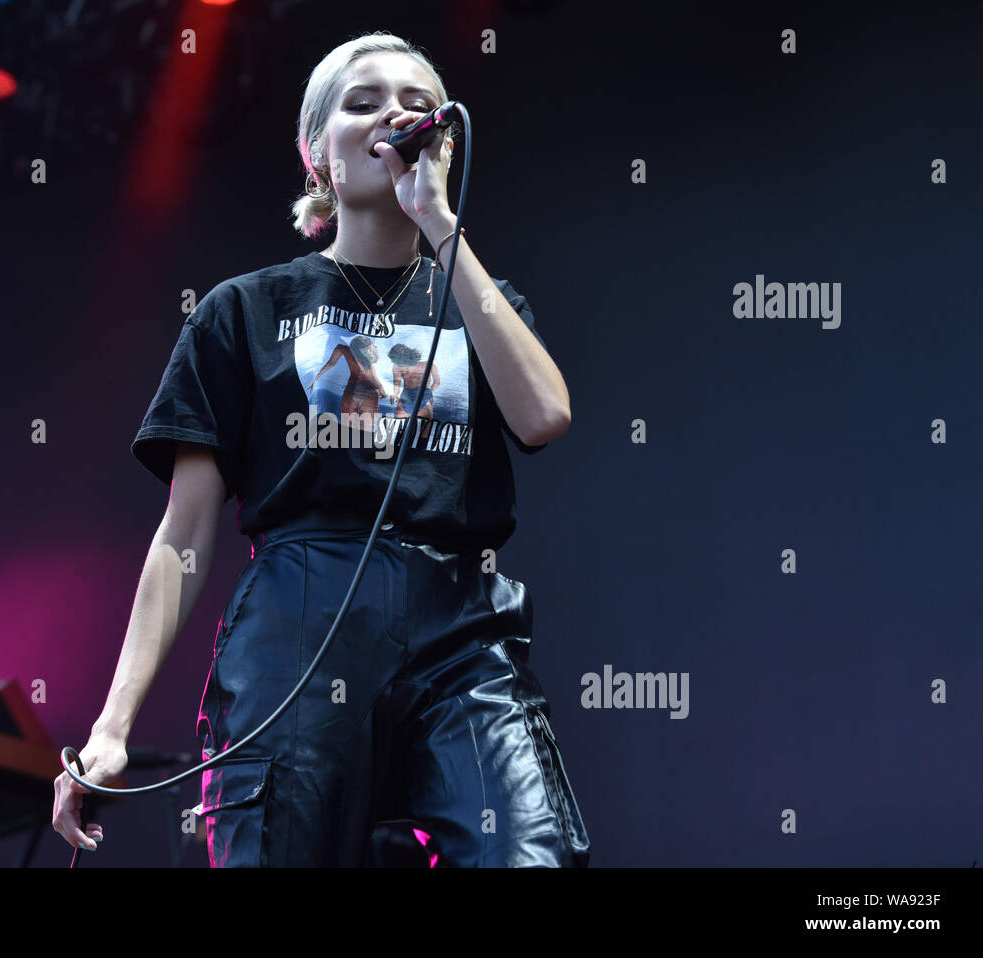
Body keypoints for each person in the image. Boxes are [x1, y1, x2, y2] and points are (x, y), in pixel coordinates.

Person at [51, 31, 590, 868]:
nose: (394, 116)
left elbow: (544, 415)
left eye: (417, 104)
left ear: (444, 141)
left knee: (530, 852)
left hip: (460, 625)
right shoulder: (242, 311)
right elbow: (183, 535)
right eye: (363, 103)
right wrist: (111, 727)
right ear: (316, 154)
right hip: (301, 619)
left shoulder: (480, 300)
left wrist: (439, 223)